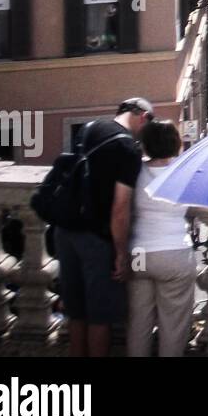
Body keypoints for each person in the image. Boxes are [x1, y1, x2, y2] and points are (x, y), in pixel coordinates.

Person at [54, 99, 148, 357]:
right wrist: (120, 253)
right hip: (96, 238)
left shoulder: (88, 128)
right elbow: (120, 208)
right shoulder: (128, 148)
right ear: (142, 117)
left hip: (66, 231)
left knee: (76, 312)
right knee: (99, 316)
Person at [126, 120, 196, 357]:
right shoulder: (184, 170)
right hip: (175, 252)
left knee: (138, 320)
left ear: (145, 145)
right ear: (176, 144)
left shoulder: (134, 170)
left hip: (138, 254)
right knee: (173, 325)